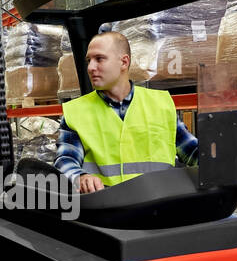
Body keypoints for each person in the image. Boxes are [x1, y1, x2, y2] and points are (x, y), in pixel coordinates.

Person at [55, 31, 197, 194]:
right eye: (89, 60)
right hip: (107, 208)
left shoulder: (161, 104)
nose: (90, 67)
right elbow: (65, 159)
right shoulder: (76, 112)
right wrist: (80, 177)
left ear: (124, 62)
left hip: (160, 207)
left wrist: (220, 162)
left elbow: (192, 151)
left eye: (99, 59)